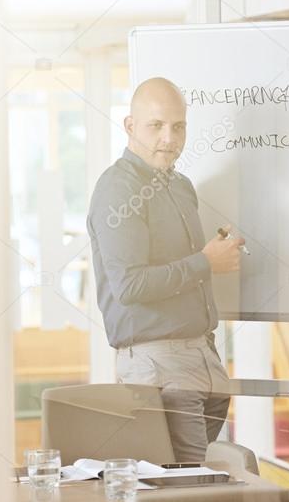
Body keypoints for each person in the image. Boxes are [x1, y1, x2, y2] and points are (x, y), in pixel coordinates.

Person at [87, 77, 245, 462]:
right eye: (155, 125)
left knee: (194, 480)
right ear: (129, 127)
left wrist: (210, 256)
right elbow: (129, 284)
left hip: (203, 359)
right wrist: (206, 261)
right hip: (157, 363)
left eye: (178, 126)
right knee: (188, 486)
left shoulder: (180, 186)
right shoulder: (117, 188)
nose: (168, 137)